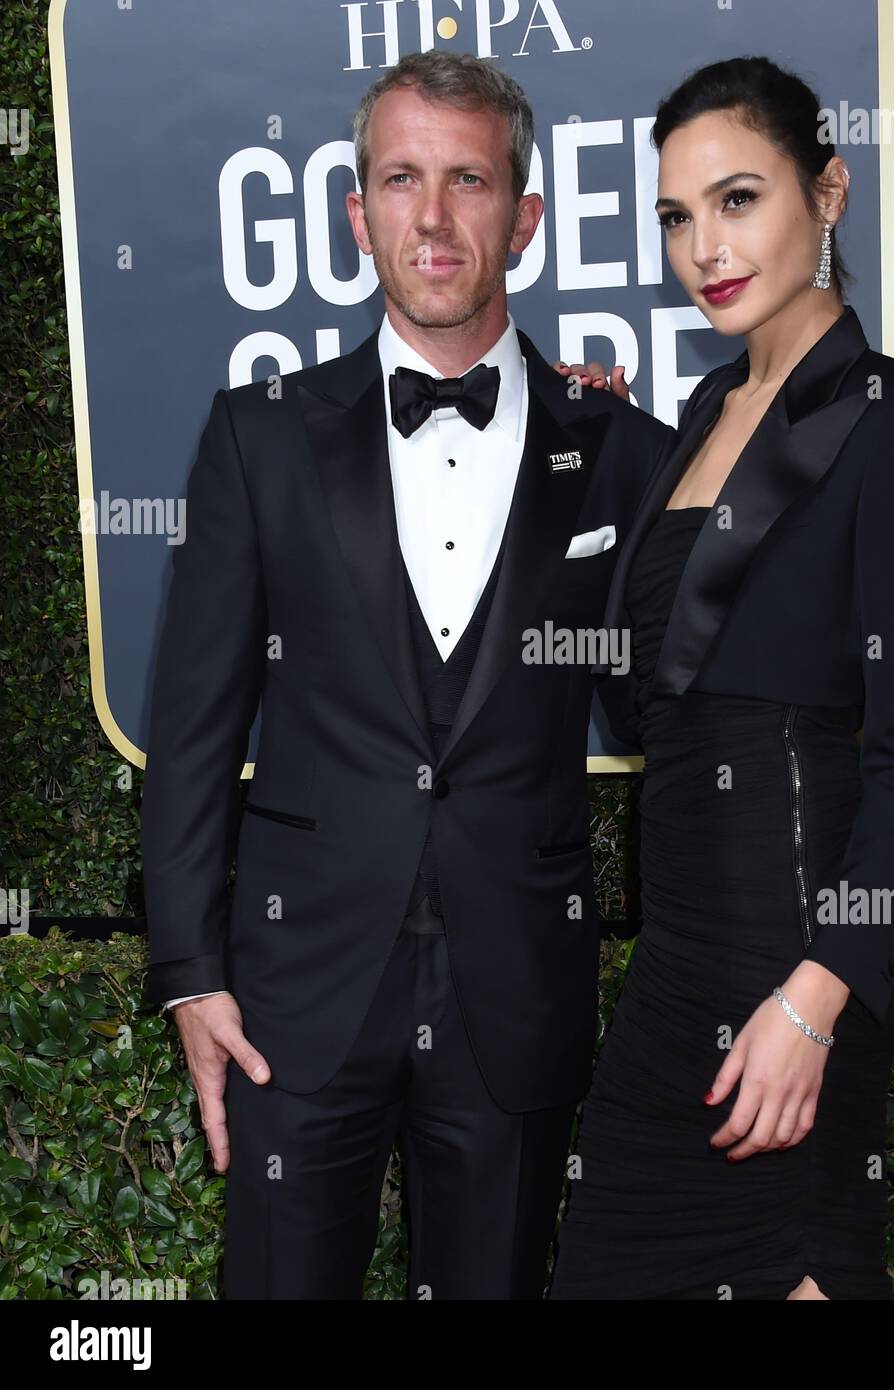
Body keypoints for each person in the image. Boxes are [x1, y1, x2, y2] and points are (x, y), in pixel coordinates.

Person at [140, 50, 672, 1300]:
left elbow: (680, 719)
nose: (432, 219)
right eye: (400, 179)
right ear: (357, 213)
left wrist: (815, 880)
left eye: (468, 181)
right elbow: (194, 730)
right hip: (293, 1001)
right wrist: (190, 974)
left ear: (525, 218)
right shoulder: (255, 437)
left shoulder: (623, 450)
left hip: (516, 993)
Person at [548, 55, 894, 1300]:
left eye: (738, 200)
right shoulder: (690, 415)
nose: (704, 248)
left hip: (795, 965)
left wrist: (816, 997)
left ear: (830, 192)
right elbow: (653, 693)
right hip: (680, 954)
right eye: (677, 217)